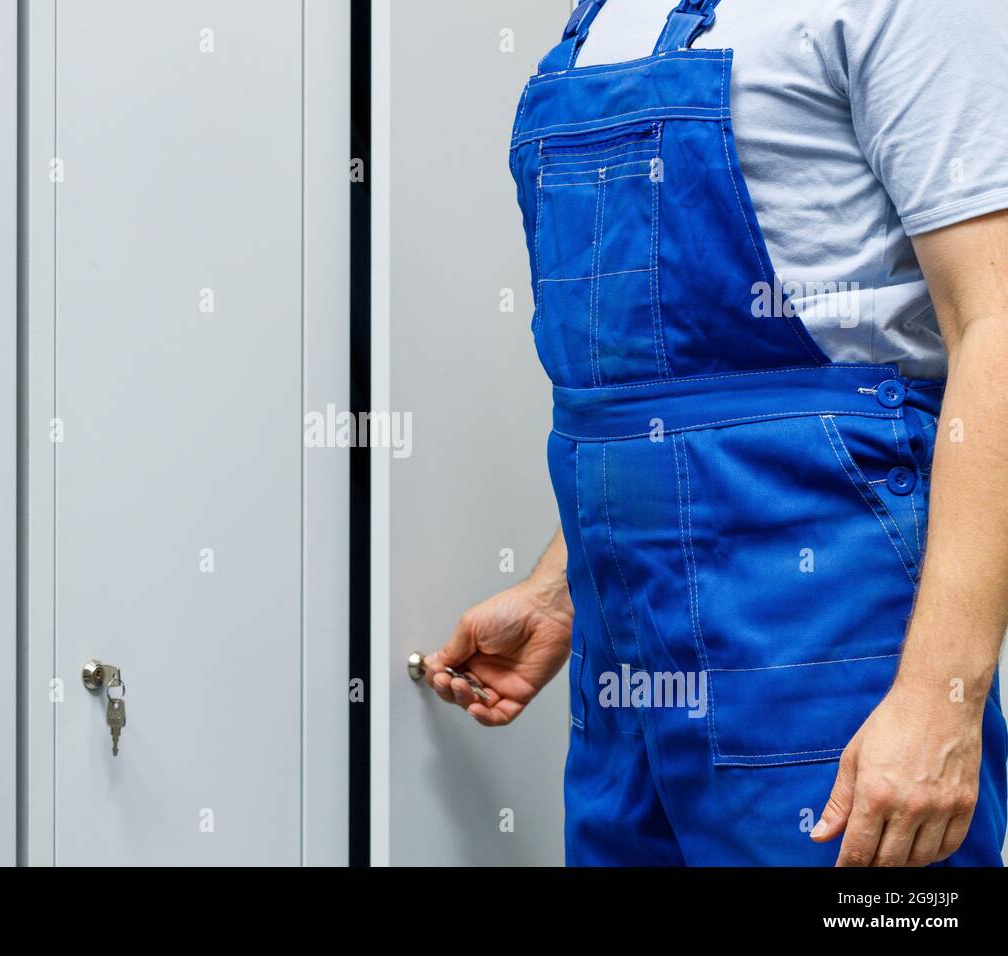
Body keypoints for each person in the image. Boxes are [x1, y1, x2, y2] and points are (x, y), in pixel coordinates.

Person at [423, 0, 1008, 866]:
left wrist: (938, 699)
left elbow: (993, 326)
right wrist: (561, 587)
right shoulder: (601, 19)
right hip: (627, 667)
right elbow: (662, 388)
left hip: (826, 647)